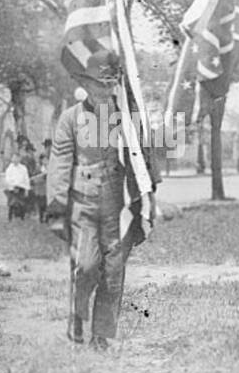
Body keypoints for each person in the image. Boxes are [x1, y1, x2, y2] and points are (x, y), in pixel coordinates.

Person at [46, 50, 158, 349]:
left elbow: (144, 163)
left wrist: (148, 206)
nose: (105, 90)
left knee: (113, 271)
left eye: (110, 84)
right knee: (85, 267)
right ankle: (79, 320)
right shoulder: (71, 118)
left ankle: (102, 335)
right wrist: (56, 207)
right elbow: (59, 164)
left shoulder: (128, 119)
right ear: (86, 84)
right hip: (82, 204)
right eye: (99, 84)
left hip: (119, 204)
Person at [4, 152, 30, 220]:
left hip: (21, 188)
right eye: (14, 158)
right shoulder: (9, 169)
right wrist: (13, 186)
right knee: (11, 204)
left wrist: (27, 189)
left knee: (22, 204)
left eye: (17, 158)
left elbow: (26, 179)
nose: (15, 159)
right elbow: (7, 179)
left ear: (20, 159)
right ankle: (10, 218)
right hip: (12, 188)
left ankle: (22, 217)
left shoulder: (23, 168)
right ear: (12, 159)